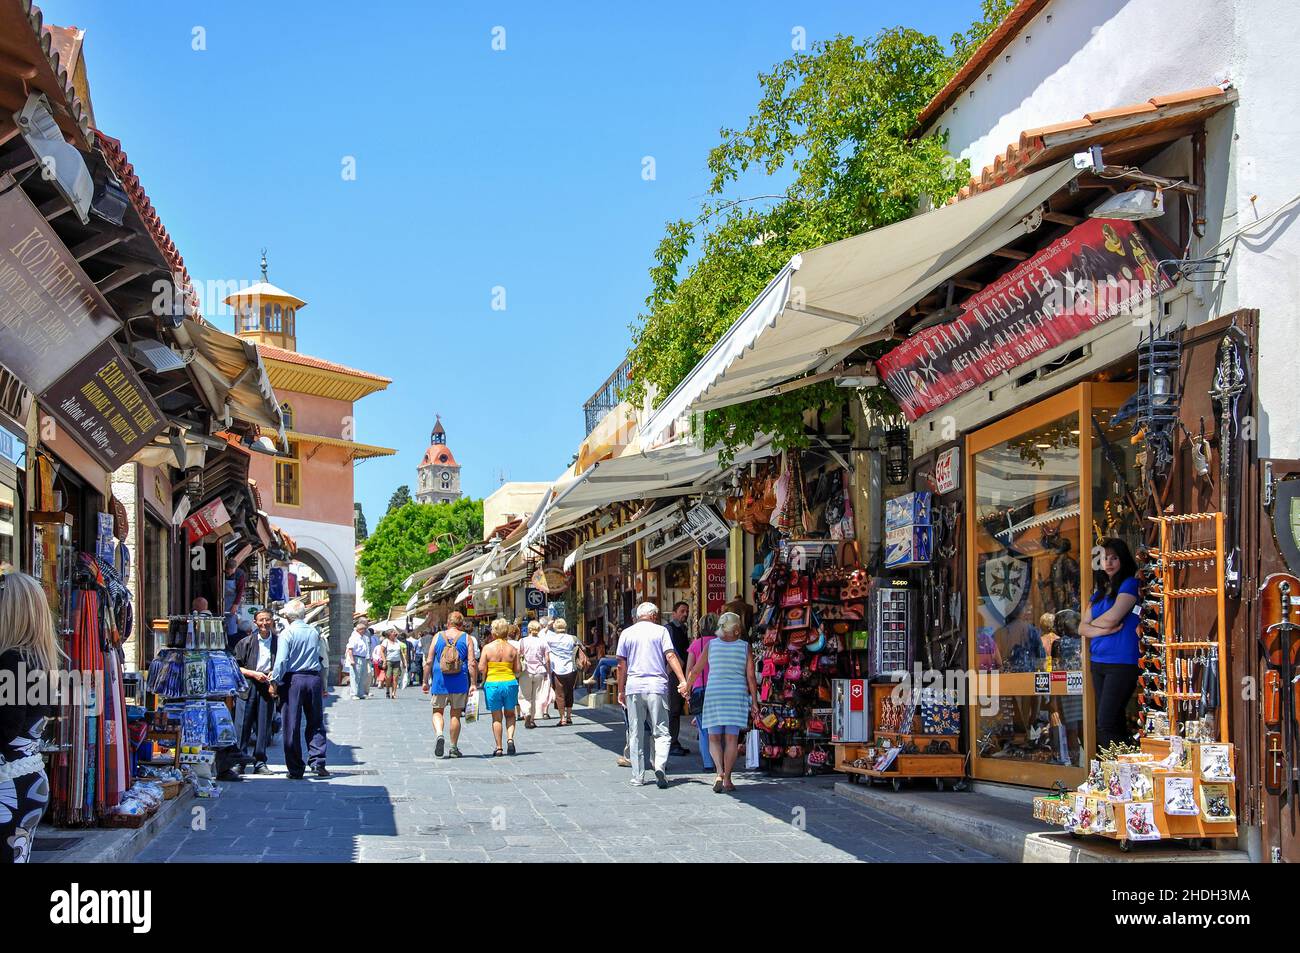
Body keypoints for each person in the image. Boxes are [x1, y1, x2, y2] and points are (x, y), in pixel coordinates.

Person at [0, 572, 57, 862]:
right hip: (29, 781)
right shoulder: (40, 660)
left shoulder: (11, 660)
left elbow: (6, 727)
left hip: (9, 785)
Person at [680, 611, 757, 793]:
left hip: (715, 693)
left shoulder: (712, 645)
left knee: (713, 737)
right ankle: (728, 779)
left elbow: (696, 670)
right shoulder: (744, 646)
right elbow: (751, 676)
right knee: (731, 738)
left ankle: (719, 772)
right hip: (736, 694)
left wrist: (687, 687)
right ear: (737, 629)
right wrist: (754, 701)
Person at [617, 602, 688, 789]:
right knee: (662, 731)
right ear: (654, 616)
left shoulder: (627, 633)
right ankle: (660, 766)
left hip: (634, 687)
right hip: (657, 687)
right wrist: (682, 680)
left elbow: (621, 665)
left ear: (638, 616)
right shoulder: (661, 631)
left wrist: (620, 690)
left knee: (636, 732)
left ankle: (638, 776)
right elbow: (671, 656)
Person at [1079, 537, 1140, 750]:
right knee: (1114, 721)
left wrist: (1097, 627)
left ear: (1123, 559)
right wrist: (1103, 628)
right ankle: (1125, 775)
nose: (1109, 562)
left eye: (1114, 558)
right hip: (1098, 663)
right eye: (1105, 558)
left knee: (1105, 723)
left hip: (1122, 662)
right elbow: (1081, 628)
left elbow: (1114, 617)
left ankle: (1116, 774)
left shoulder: (1130, 584)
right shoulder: (1098, 594)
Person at [271, 599, 329, 779]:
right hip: (313, 678)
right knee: (316, 721)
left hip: (293, 679)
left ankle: (296, 768)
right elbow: (322, 658)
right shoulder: (314, 631)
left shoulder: (287, 633)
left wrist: (274, 680)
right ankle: (318, 762)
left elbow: (281, 660)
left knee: (291, 723)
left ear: (287, 616)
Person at [424, 611, 477, 758]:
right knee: (455, 714)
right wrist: (473, 683)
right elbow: (472, 662)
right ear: (461, 625)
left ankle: (439, 734)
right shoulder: (467, 638)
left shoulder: (437, 636)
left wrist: (424, 681)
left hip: (440, 680)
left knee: (437, 711)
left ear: (448, 623)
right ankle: (453, 747)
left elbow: (428, 661)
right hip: (460, 680)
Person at [233, 608, 278, 773]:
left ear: (272, 620)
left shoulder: (279, 642)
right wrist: (253, 673)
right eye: (261, 620)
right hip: (248, 684)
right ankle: (240, 761)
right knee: (242, 724)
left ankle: (260, 762)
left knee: (263, 725)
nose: (264, 623)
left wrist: (275, 673)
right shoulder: (245, 642)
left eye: (267, 619)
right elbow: (235, 667)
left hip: (268, 685)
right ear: (255, 622)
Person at [481, 618, 521, 756]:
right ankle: (510, 739)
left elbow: (481, 668)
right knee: (510, 714)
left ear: (494, 632)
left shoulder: (487, 648)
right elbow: (518, 669)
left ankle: (499, 747)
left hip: (493, 684)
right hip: (510, 682)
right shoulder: (513, 649)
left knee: (496, 717)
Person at [685, 613, 718, 773]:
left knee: (703, 729)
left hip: (699, 689)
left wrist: (687, 688)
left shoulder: (696, 644)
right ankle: (721, 761)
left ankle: (708, 763)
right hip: (717, 689)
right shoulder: (720, 643)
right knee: (717, 727)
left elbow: (690, 668)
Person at [665, 601, 691, 757]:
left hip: (682, 672)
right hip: (675, 673)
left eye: (686, 611)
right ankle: (671, 742)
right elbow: (671, 650)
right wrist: (679, 665)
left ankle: (674, 741)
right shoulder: (669, 629)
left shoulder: (682, 628)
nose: (685, 614)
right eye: (682, 611)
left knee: (677, 708)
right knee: (673, 708)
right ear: (674, 613)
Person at [546, 618, 579, 727]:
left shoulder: (550, 639)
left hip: (557, 669)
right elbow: (581, 647)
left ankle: (562, 718)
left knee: (559, 694)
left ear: (555, 627)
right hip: (571, 668)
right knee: (570, 692)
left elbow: (541, 635)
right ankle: (569, 716)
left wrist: (547, 626)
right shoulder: (572, 638)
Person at [518, 620, 550, 729]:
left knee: (525, 696)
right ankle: (532, 719)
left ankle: (527, 713)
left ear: (529, 629)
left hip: (526, 671)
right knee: (536, 696)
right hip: (540, 671)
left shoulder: (522, 641)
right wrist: (548, 671)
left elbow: (519, 655)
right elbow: (547, 658)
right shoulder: (543, 642)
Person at [346, 621, 371, 699]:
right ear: (359, 630)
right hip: (356, 657)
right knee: (355, 676)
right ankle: (354, 693)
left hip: (363, 658)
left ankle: (360, 693)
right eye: (363, 629)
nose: (365, 631)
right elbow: (350, 649)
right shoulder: (354, 637)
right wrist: (352, 660)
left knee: (362, 676)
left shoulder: (363, 638)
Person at [381, 630, 407, 699]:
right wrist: (384, 661)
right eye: (393, 632)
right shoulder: (385, 641)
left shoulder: (397, 641)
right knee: (388, 677)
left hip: (397, 662)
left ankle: (394, 693)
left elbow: (401, 653)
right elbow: (382, 651)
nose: (395, 633)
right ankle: (387, 690)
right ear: (389, 635)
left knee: (395, 678)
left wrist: (404, 662)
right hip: (389, 661)